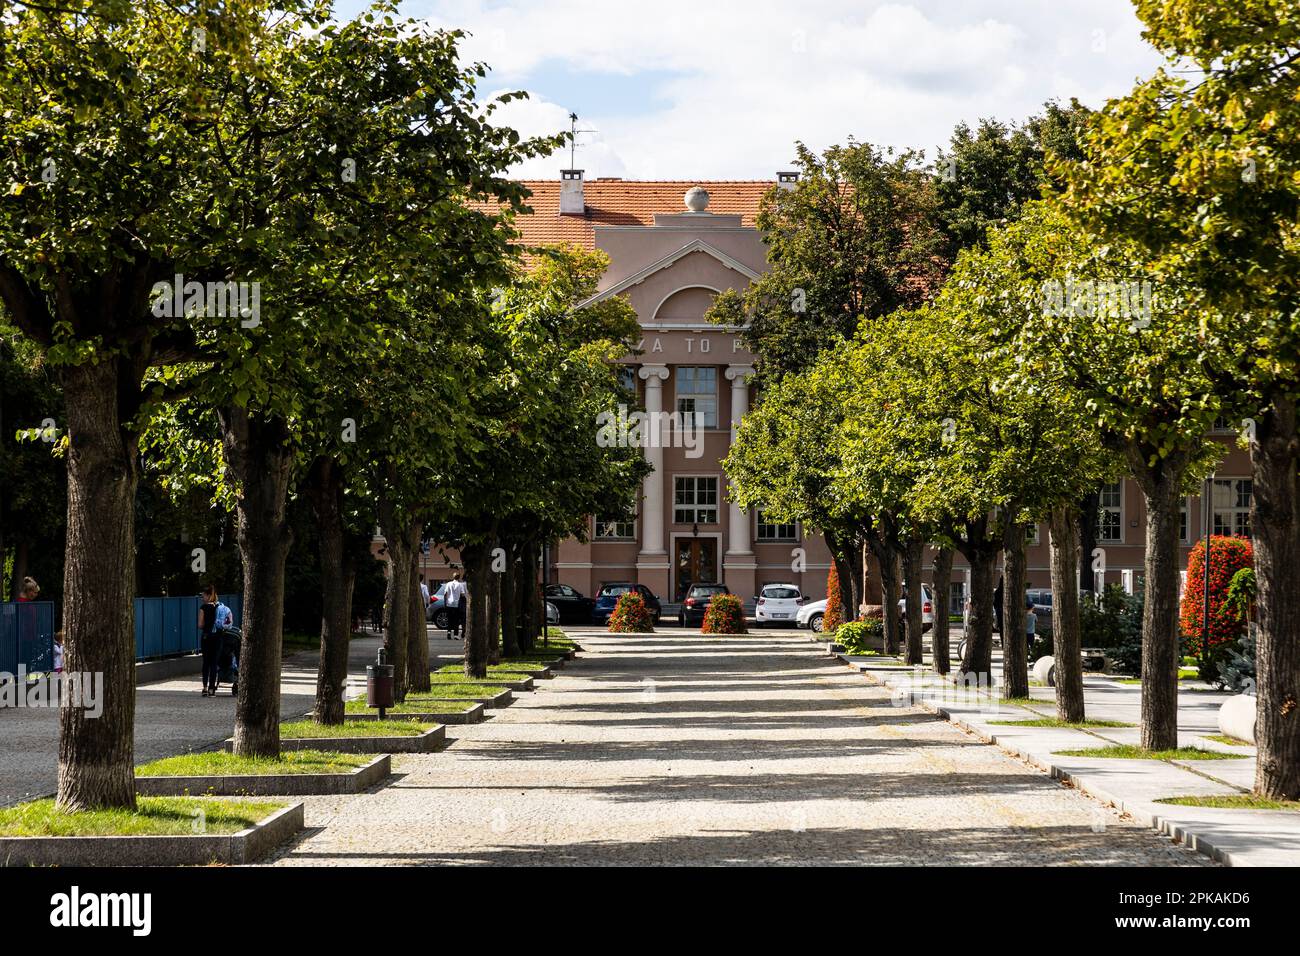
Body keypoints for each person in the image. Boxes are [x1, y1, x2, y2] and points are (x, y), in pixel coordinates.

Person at [198, 585, 220, 697]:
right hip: (217, 638)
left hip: (207, 637)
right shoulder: (219, 607)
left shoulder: (204, 608)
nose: (202, 598)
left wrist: (205, 625)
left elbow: (200, 624)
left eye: (203, 596)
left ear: (208, 595)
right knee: (214, 663)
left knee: (206, 662)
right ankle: (212, 689)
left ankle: (205, 688)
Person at [443, 571, 467, 640]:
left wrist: (445, 602)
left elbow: (445, 594)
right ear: (459, 577)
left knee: (449, 619)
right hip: (457, 604)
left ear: (453, 577)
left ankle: (449, 632)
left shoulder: (448, 584)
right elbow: (462, 594)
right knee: (456, 620)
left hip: (449, 604)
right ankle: (456, 635)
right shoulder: (460, 585)